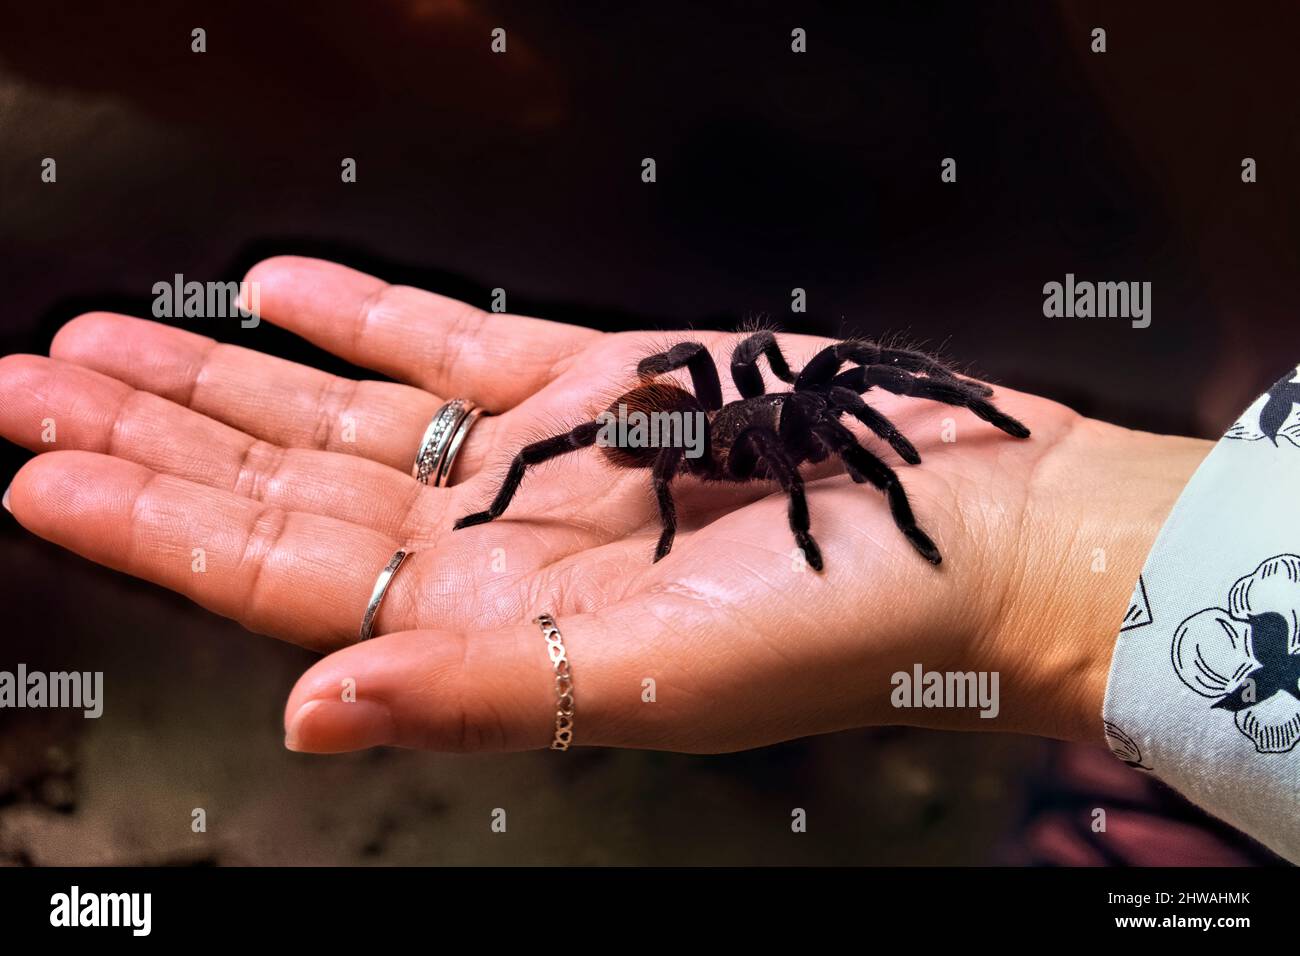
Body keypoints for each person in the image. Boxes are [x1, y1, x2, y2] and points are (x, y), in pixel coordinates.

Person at [0, 256, 1291, 860]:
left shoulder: (792, 405)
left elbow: (823, 388)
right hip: (668, 440)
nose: (823, 431)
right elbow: (704, 439)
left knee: (846, 375)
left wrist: (1021, 489)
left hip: (709, 428)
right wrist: (746, 519)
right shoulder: (692, 437)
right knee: (674, 427)